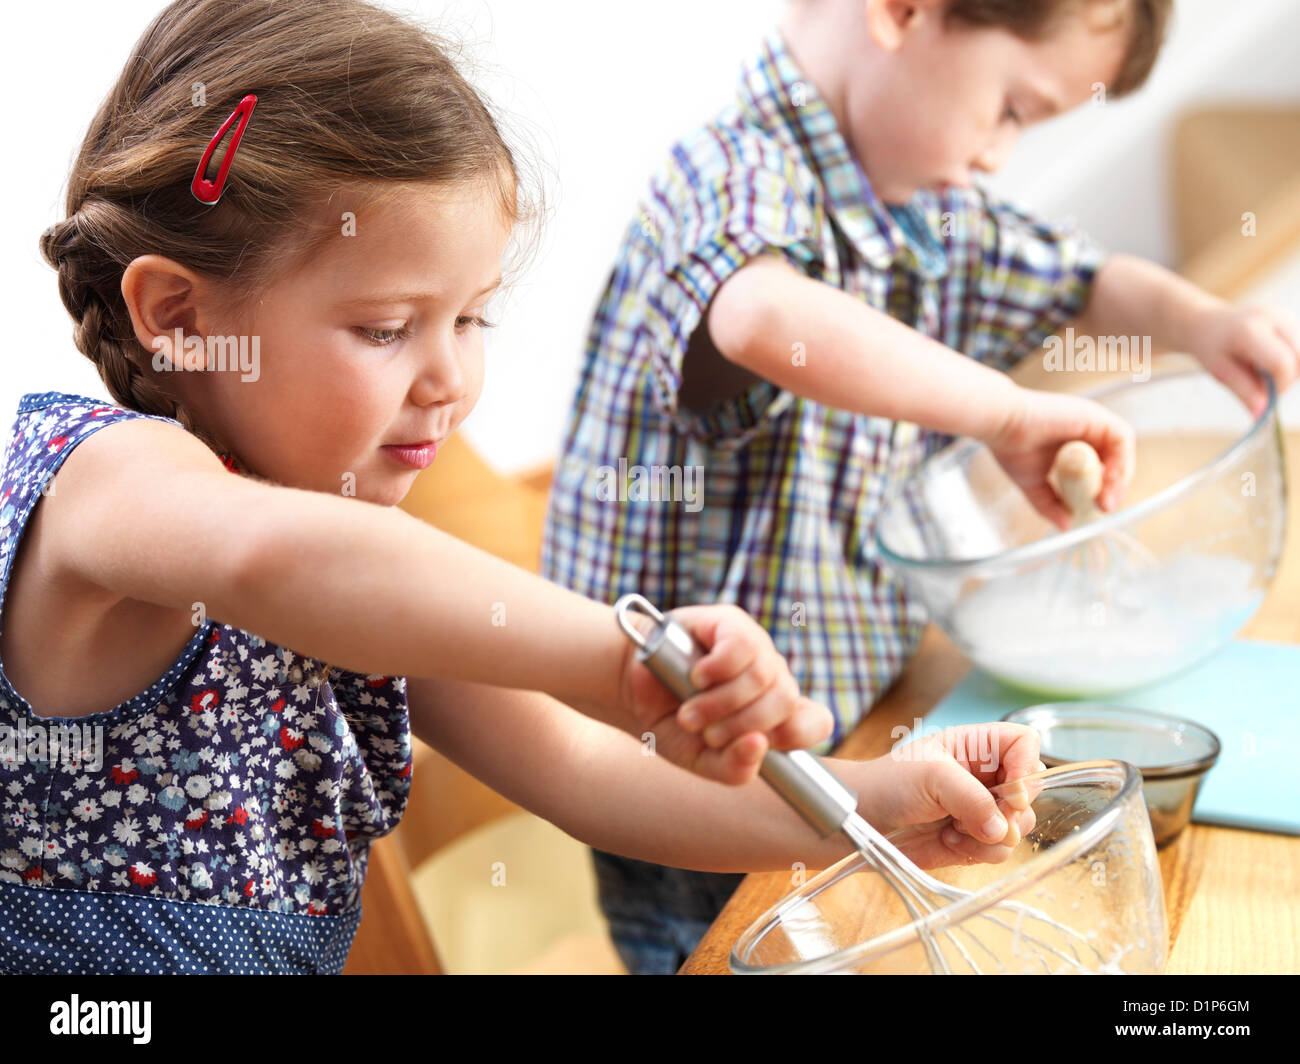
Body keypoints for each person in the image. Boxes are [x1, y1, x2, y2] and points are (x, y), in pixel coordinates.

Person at [0, 0, 1038, 975]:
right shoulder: (106, 476)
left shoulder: (366, 578)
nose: (451, 378)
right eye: (384, 328)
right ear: (178, 315)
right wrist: (624, 656)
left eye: (470, 318)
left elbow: (592, 776)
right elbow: (271, 556)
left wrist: (881, 798)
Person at [542, 0, 1300, 973]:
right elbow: (764, 318)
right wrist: (1008, 412)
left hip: (857, 746)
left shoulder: (921, 212)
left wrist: (1200, 321)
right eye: (1012, 108)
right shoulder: (733, 169)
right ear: (903, 13)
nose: (998, 152)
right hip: (702, 788)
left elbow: (1078, 279)